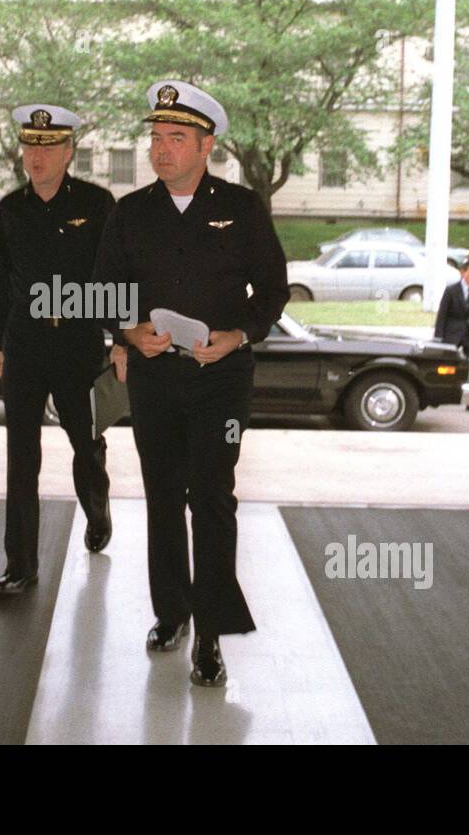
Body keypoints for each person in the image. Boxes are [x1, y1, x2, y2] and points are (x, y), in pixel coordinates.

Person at [92, 80, 289, 687]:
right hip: (155, 379)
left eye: (176, 138)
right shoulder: (129, 213)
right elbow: (105, 293)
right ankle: (171, 613)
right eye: (156, 138)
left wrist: (238, 334)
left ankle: (210, 632)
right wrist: (129, 333)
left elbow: (274, 291)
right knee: (162, 496)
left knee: (211, 497)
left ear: (207, 148)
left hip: (221, 380)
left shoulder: (244, 207)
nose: (161, 150)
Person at [0, 104, 120, 595]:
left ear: (68, 152)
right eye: (30, 146)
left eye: (48, 146)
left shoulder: (98, 204)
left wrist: (121, 335)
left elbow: (115, 275)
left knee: (85, 443)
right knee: (21, 457)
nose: (36, 156)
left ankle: (97, 503)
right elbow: (0, 280)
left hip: (77, 345)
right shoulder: (10, 209)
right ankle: (20, 565)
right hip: (24, 344)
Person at [434, 259, 469, 412]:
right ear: (462, 272)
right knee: (444, 367)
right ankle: (437, 397)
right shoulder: (451, 290)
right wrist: (438, 337)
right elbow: (442, 315)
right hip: (452, 334)